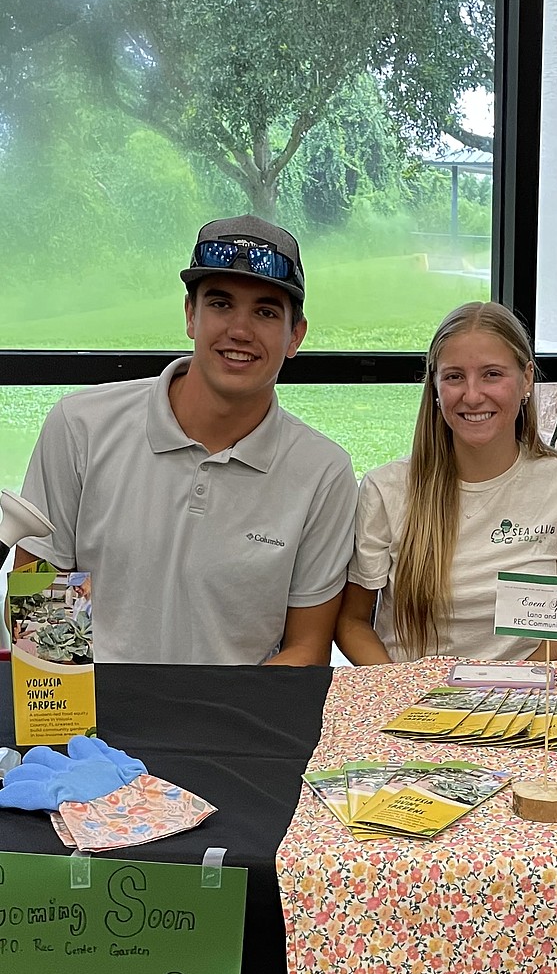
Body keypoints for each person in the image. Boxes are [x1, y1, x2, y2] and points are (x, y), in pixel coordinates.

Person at [17, 216, 357, 664]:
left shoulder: (323, 472)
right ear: (190, 315)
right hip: (94, 718)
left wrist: (221, 729)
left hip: (235, 725)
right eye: (220, 304)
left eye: (266, 311)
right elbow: (37, 593)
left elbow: (306, 647)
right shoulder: (81, 425)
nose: (240, 329)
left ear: (295, 336)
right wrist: (74, 721)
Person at [338, 301, 557, 663]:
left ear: (526, 378)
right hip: (413, 704)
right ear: (434, 386)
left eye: (492, 374)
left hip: (521, 700)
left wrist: (504, 702)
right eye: (454, 377)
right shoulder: (385, 490)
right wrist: (401, 695)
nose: (472, 395)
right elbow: (353, 621)